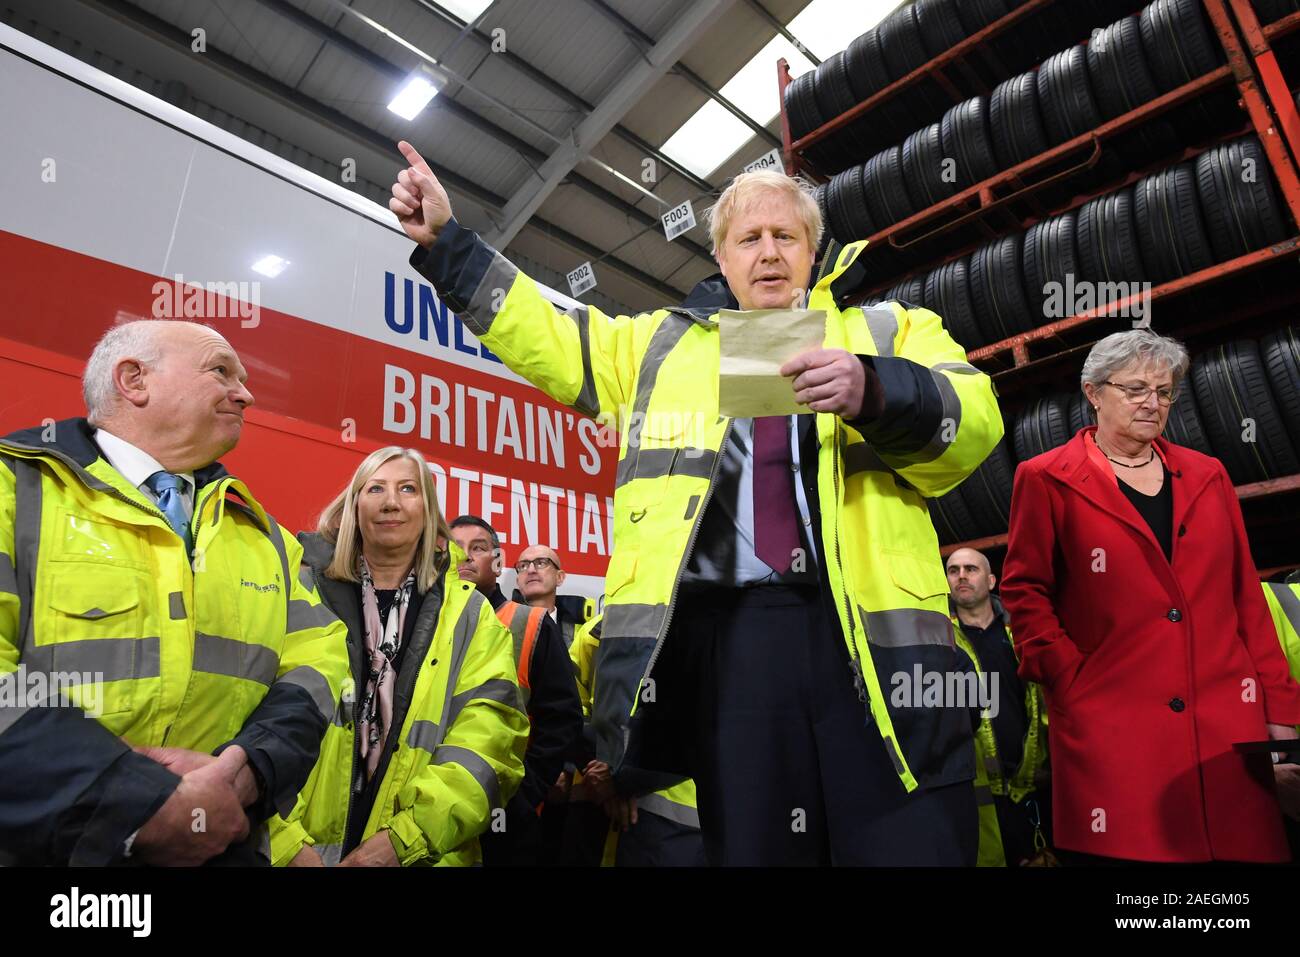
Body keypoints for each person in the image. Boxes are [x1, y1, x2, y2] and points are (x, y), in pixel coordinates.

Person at [389, 143, 1002, 865]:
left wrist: (874, 388)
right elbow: (552, 336)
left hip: (871, 646)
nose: (769, 253)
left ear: (813, 252)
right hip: (734, 650)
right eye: (749, 238)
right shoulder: (663, 348)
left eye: (786, 236)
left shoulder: (888, 331)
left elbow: (976, 419)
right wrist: (452, 247)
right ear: (723, 257)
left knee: (908, 846)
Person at [0, 319, 348, 865]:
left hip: (223, 844)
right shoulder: (11, 489)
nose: (247, 393)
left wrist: (248, 772)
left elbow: (318, 664)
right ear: (134, 380)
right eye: (221, 371)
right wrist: (137, 800)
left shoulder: (266, 538)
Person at [1001, 329, 1300, 864]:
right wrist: (1071, 678)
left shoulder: (1208, 475)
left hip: (1227, 727)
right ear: (1093, 393)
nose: (1153, 403)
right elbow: (1025, 591)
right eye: (1136, 389)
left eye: (1164, 392)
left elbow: (1245, 598)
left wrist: (1279, 709)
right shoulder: (1045, 479)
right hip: (1115, 728)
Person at [270, 448, 528, 866]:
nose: (391, 501)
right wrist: (286, 844)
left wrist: (402, 841)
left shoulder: (470, 616)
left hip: (419, 853)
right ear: (353, 508)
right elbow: (245, 711)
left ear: (428, 512)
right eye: (376, 488)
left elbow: (491, 741)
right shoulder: (298, 589)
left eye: (408, 488)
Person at [448, 514, 582, 866]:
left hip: (507, 820)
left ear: (497, 562)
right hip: (433, 812)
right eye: (454, 547)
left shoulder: (531, 624)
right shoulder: (423, 626)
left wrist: (524, 796)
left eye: (477, 548)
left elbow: (562, 718)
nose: (465, 556)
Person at [571, 614, 706, 867]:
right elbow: (569, 709)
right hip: (595, 813)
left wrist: (622, 778)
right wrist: (603, 769)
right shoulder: (595, 632)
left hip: (675, 828)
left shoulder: (707, 628)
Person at [945, 547, 1050, 866]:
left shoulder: (1021, 633)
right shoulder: (942, 642)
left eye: (970, 569)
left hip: (1033, 784)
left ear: (991, 580)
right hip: (979, 795)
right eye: (953, 570)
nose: (961, 575)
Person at [514, 544, 592, 650]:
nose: (531, 570)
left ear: (559, 577)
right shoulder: (501, 625)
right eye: (523, 566)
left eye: (541, 563)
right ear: (518, 581)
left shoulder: (586, 630)